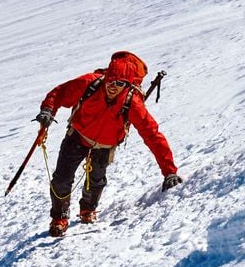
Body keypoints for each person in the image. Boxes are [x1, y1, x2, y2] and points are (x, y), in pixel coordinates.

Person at [34, 50, 182, 237]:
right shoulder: (90, 82)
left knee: (96, 181)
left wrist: (169, 171)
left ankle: (87, 210)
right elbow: (60, 93)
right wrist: (48, 110)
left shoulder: (132, 102)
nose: (113, 86)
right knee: (61, 179)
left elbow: (152, 135)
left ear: (128, 84)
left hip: (104, 146)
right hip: (77, 136)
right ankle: (59, 218)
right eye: (110, 80)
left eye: (120, 83)